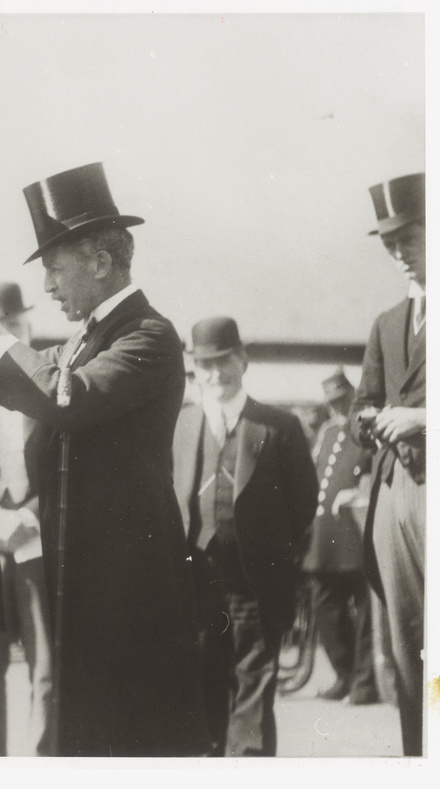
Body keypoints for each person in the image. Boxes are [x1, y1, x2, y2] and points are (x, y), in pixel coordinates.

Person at [0, 162, 208, 757]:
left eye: (56, 269)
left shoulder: (148, 335)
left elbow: (69, 398)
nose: (47, 288)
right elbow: (43, 400)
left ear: (100, 262)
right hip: (84, 585)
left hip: (132, 588)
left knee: (136, 741)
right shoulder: (82, 341)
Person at [171, 316, 319, 756]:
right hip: (197, 579)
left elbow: (304, 502)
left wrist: (272, 552)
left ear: (244, 360)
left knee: (255, 682)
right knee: (205, 680)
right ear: (195, 369)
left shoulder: (279, 426)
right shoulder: (180, 426)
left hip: (256, 583)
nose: (216, 374)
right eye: (206, 365)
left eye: (225, 362)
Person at [350, 172, 426, 756]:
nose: (401, 254)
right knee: (409, 646)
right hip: (394, 492)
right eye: (391, 245)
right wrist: (374, 417)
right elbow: (362, 406)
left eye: (411, 238)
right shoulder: (386, 322)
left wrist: (424, 420)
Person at [0, 282, 53, 756]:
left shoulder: (45, 383)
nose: (8, 334)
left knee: (46, 665)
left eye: (16, 325)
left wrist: (31, 515)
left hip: (36, 539)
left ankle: (45, 762)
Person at [301, 368, 378, 705]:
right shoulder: (329, 432)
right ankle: (345, 675)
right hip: (324, 537)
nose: (338, 408)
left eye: (343, 400)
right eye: (332, 402)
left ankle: (363, 683)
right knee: (325, 606)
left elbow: (374, 474)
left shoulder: (368, 429)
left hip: (355, 531)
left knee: (364, 612)